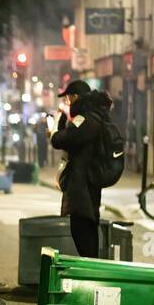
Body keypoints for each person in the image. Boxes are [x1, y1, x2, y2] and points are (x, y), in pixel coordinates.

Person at [51, 79, 108, 258]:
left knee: (82, 230)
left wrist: (57, 124)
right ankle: (91, 271)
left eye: (68, 99)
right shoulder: (92, 117)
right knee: (84, 229)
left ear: (75, 97)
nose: (68, 103)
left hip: (83, 185)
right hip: (86, 183)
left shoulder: (85, 119)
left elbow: (62, 140)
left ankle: (92, 274)